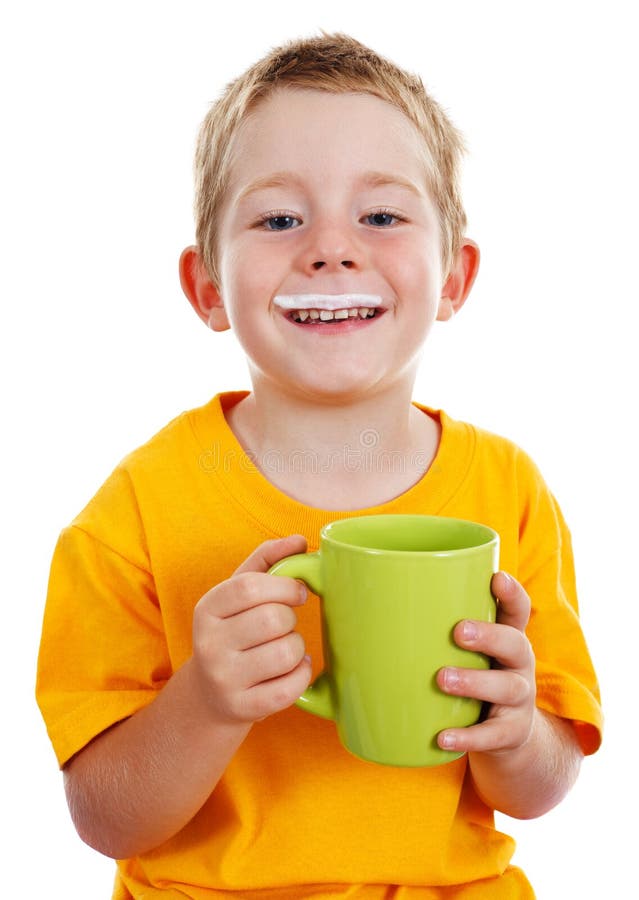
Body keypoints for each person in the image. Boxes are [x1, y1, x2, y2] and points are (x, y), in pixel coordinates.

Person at [36, 32, 602, 899]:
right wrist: (206, 703)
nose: (330, 249)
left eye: (380, 215)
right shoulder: (134, 512)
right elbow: (102, 818)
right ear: (207, 289)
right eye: (277, 219)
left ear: (454, 277)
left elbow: (540, 793)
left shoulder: (510, 493)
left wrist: (519, 731)